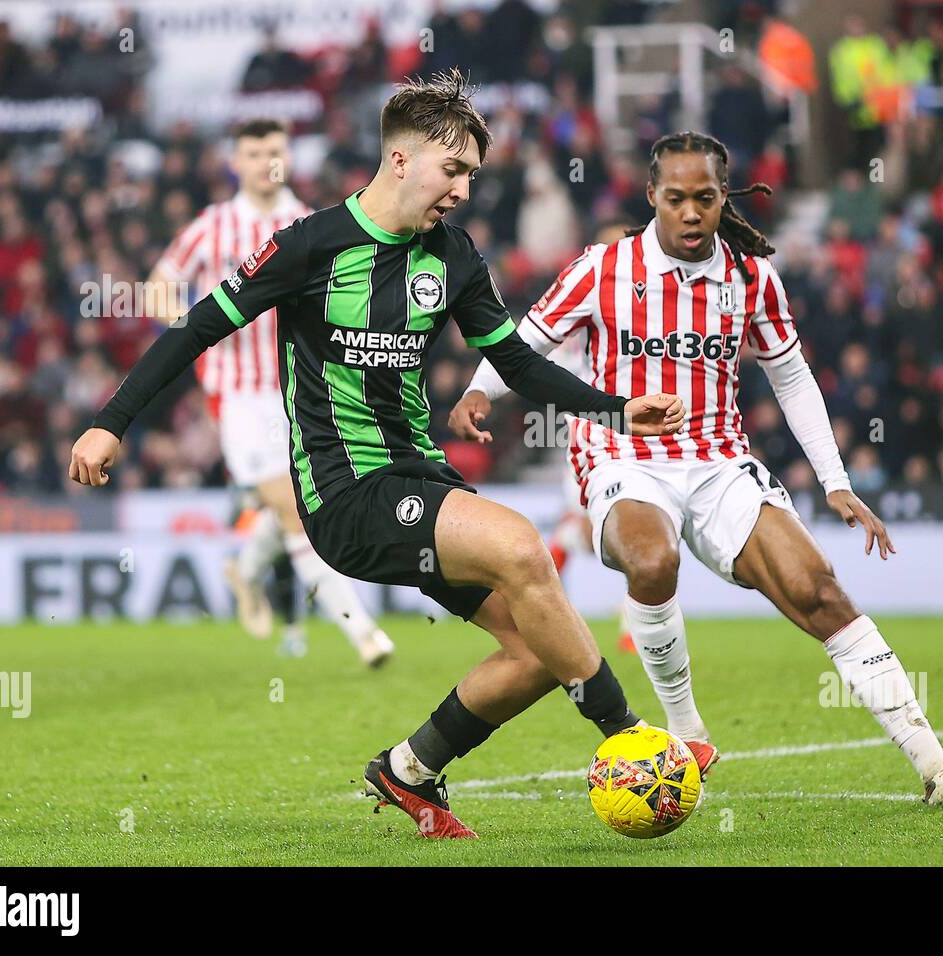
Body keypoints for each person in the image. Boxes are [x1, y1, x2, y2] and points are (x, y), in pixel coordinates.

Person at [69, 70, 684, 838]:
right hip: (344, 493)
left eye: (471, 175)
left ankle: (409, 771)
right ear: (400, 159)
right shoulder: (309, 246)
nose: (462, 189)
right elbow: (195, 328)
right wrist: (111, 423)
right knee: (523, 545)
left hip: (420, 475)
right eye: (452, 169)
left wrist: (618, 408)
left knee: (536, 651)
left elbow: (519, 363)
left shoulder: (453, 256)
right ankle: (632, 744)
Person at [451, 131, 943, 806]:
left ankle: (937, 769)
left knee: (821, 591)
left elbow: (792, 377)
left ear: (726, 197)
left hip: (719, 462)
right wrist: (481, 387)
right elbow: (524, 343)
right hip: (621, 456)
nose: (692, 213)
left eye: (707, 198)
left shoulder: (750, 277)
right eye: (678, 198)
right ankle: (685, 731)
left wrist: (836, 482)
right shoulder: (601, 269)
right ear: (653, 196)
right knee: (652, 560)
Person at [144, 118, 392, 665]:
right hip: (238, 395)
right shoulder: (213, 226)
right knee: (289, 505)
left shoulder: (307, 224)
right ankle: (363, 633)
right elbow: (157, 287)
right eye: (253, 153)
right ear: (236, 162)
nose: (264, 162)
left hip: (304, 386)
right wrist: (194, 330)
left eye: (274, 152)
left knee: (307, 501)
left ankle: (247, 569)